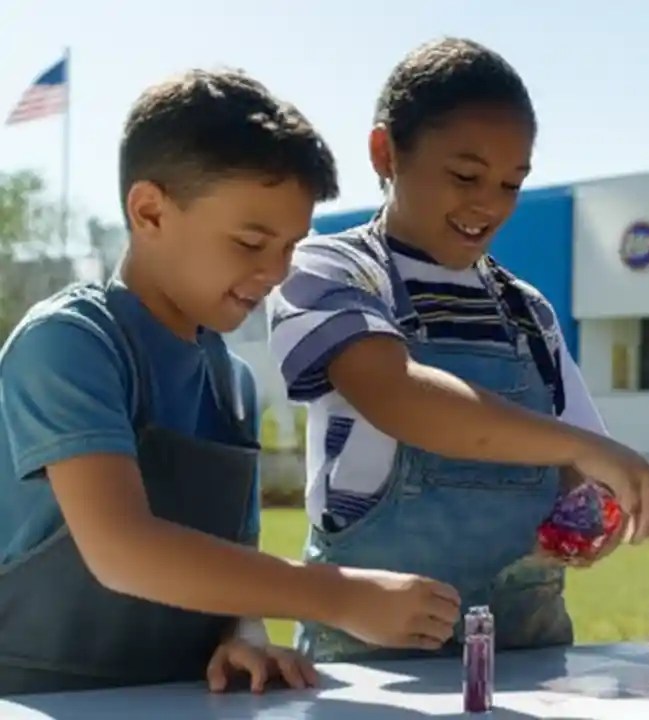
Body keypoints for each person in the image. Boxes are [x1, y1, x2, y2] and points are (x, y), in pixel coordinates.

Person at [0, 69, 480, 696]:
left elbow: (232, 569)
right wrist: (335, 594)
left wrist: (244, 636)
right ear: (149, 211)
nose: (273, 272)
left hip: (175, 703)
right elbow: (122, 549)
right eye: (251, 241)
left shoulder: (232, 383)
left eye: (290, 246)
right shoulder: (72, 342)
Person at [267, 37, 649, 663]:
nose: (490, 204)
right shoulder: (332, 269)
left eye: (513, 183)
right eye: (465, 176)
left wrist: (592, 513)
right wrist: (584, 447)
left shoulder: (527, 310)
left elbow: (578, 472)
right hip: (372, 664)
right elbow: (400, 396)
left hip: (526, 654)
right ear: (386, 152)